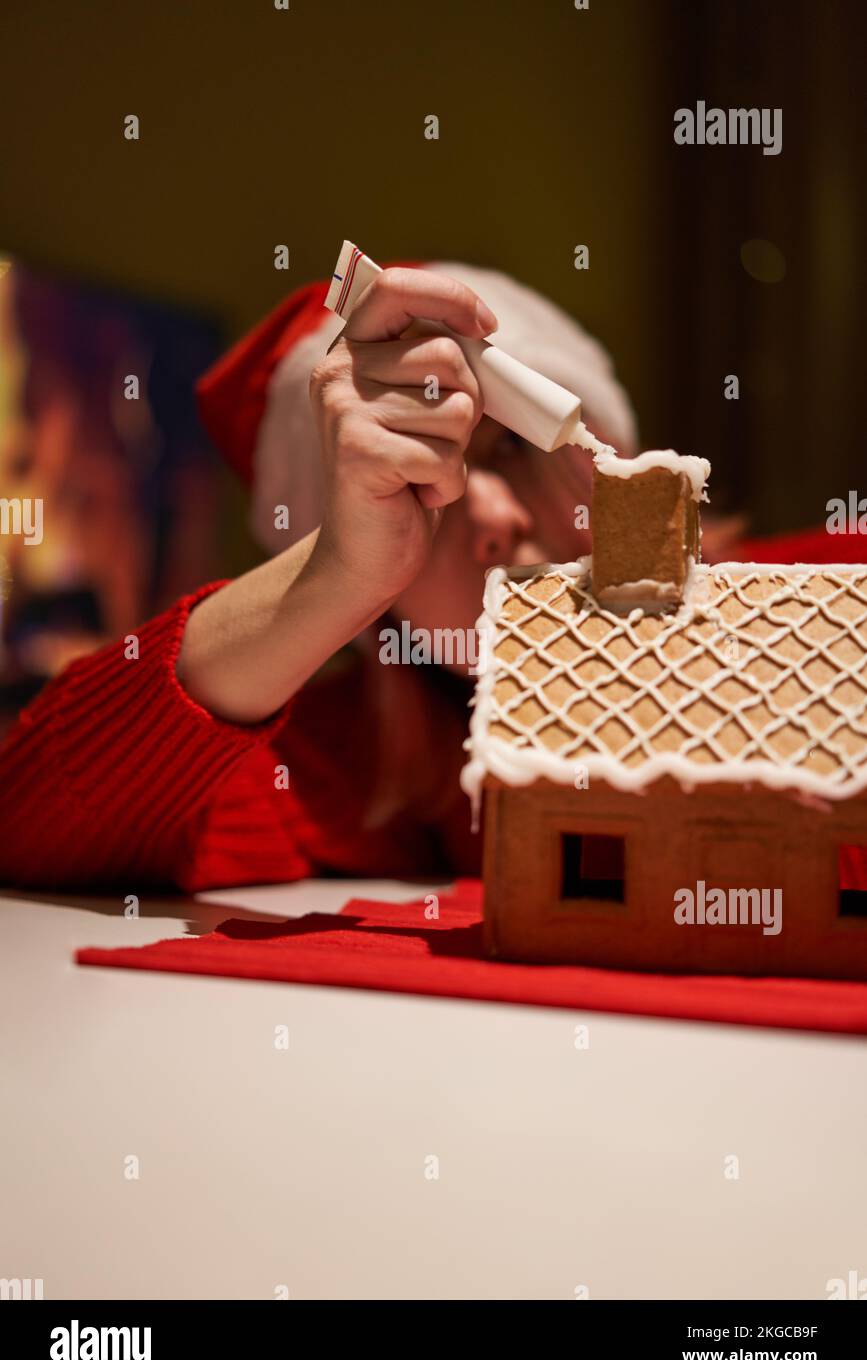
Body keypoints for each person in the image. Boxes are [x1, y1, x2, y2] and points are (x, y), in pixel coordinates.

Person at [0, 265, 863, 891]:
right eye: (421, 490)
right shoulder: (361, 774)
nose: (489, 514)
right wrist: (334, 575)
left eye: (515, 451)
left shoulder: (822, 603)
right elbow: (31, 825)